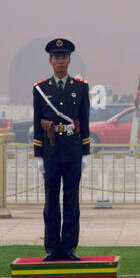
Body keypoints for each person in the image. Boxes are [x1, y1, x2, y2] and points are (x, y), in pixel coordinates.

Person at [32, 37, 91, 262]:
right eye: (56, 58)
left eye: (64, 57)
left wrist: (85, 152)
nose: (60, 61)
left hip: (73, 151)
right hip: (51, 151)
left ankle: (69, 247)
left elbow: (84, 121)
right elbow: (37, 121)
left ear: (69, 60)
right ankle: (52, 248)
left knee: (71, 201)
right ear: (50, 60)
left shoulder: (80, 87)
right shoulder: (40, 89)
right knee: (51, 202)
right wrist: (38, 155)